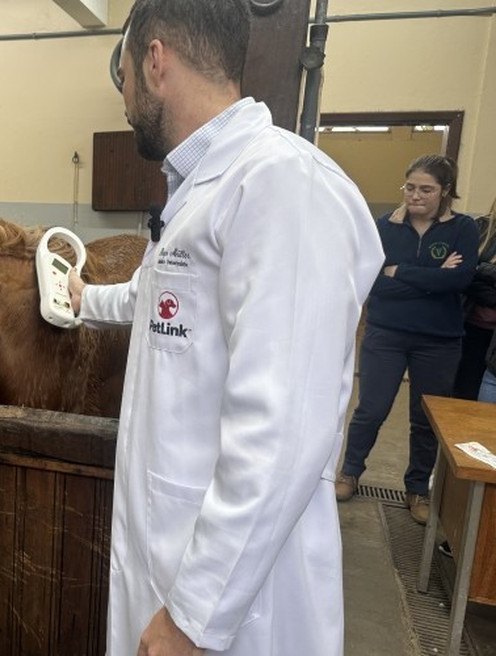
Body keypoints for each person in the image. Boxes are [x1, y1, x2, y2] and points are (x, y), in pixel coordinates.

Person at [66, 1, 384, 653]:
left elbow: (284, 430)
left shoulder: (280, 185)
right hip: (171, 563)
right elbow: (154, 299)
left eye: (121, 75)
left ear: (154, 62)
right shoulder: (199, 194)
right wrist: (80, 300)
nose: (125, 101)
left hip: (236, 612)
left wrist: (193, 615)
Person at [335, 155, 478, 525]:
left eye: (426, 189)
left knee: (425, 418)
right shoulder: (385, 226)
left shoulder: (463, 229)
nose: (416, 196)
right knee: (371, 409)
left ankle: (417, 489)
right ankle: (349, 472)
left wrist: (401, 272)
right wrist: (431, 278)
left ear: (445, 192)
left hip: (439, 341)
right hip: (387, 334)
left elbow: (459, 281)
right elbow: (373, 282)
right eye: (410, 187)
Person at [452, 196, 496, 399]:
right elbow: (463, 273)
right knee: (463, 394)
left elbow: (475, 269)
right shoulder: (479, 227)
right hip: (470, 327)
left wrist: (482, 269)